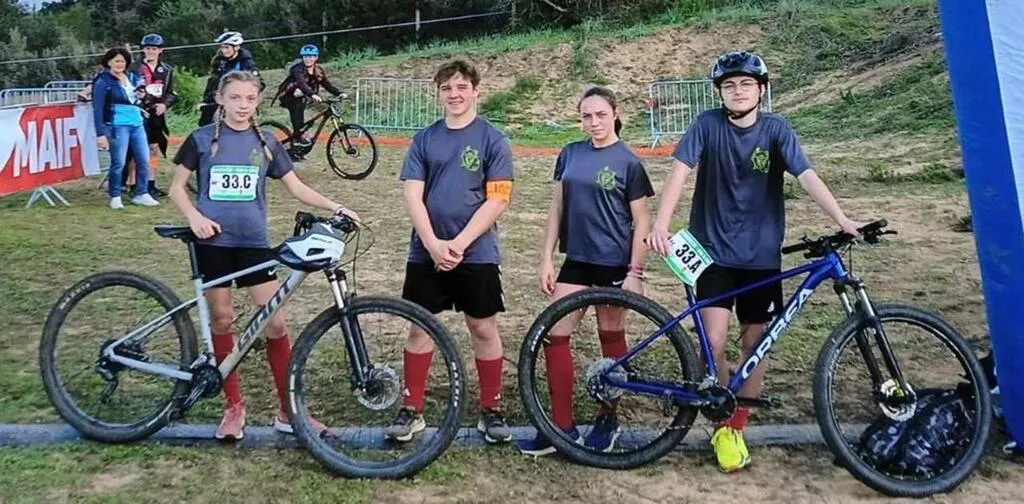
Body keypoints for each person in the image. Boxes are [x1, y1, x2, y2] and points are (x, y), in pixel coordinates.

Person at [645, 51, 867, 472]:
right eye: (729, 85)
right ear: (720, 93)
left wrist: (841, 219)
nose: (738, 91)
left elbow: (807, 176)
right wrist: (660, 224)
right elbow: (679, 173)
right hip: (711, 252)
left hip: (761, 256)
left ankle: (736, 427)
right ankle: (719, 418)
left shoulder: (777, 129)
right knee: (712, 341)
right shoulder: (707, 125)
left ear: (761, 90)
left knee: (755, 342)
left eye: (746, 84)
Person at [167, 70, 360, 440]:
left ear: (257, 102)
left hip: (253, 244)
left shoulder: (267, 142)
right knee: (222, 320)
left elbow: (296, 187)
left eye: (250, 99)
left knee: (275, 324)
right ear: (220, 99)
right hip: (213, 245)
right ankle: (233, 406)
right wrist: (194, 217)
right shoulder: (201, 139)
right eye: (235, 98)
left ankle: (289, 412)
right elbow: (176, 188)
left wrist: (337, 206)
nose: (243, 105)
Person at [517, 85, 654, 456]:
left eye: (600, 115)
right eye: (586, 116)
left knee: (610, 336)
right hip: (577, 260)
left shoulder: (629, 161)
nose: (594, 122)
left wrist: (635, 271)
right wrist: (546, 258)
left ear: (615, 114)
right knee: (554, 334)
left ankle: (608, 419)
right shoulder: (570, 153)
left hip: (614, 262)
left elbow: (642, 221)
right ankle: (560, 428)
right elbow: (557, 209)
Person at [389, 59, 515, 444]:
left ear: (476, 90)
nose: (454, 94)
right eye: (446, 88)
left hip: (476, 253)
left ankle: (491, 409)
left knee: (482, 327)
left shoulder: (493, 139)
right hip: (426, 251)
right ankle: (412, 409)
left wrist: (459, 244)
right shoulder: (424, 139)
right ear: (439, 93)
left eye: (461, 87)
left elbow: (498, 199)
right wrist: (432, 243)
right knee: (420, 327)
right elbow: (412, 194)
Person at [91, 47, 159, 209]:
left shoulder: (132, 77)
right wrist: (100, 134)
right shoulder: (103, 81)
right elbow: (97, 108)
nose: (120, 64)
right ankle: (115, 195)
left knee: (144, 159)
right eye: (116, 61)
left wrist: (142, 98)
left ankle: (141, 192)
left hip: (137, 124)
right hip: (117, 125)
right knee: (119, 162)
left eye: (122, 61)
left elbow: (137, 98)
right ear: (109, 62)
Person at [125, 33, 177, 198]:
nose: (151, 52)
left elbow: (171, 93)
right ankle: (132, 183)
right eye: (148, 48)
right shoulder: (133, 68)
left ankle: (151, 182)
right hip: (139, 112)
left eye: (154, 49)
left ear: (160, 51)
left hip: (156, 114)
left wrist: (164, 105)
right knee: (136, 149)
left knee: (154, 149)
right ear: (143, 50)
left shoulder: (166, 70)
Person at [273, 44, 343, 154]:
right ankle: (297, 138)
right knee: (297, 108)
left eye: (311, 56)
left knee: (304, 117)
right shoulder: (297, 69)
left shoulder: (318, 70)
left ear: (316, 58)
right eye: (305, 57)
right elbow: (302, 84)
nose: (308, 59)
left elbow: (326, 84)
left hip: (303, 94)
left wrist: (339, 93)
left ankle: (299, 144)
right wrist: (312, 94)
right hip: (288, 95)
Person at [198, 31, 261, 127]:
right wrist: (206, 101)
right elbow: (214, 83)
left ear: (236, 47)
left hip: (240, 101)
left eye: (227, 47)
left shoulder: (246, 63)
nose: (224, 50)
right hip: (223, 98)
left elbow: (259, 83)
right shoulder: (221, 62)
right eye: (222, 47)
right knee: (206, 120)